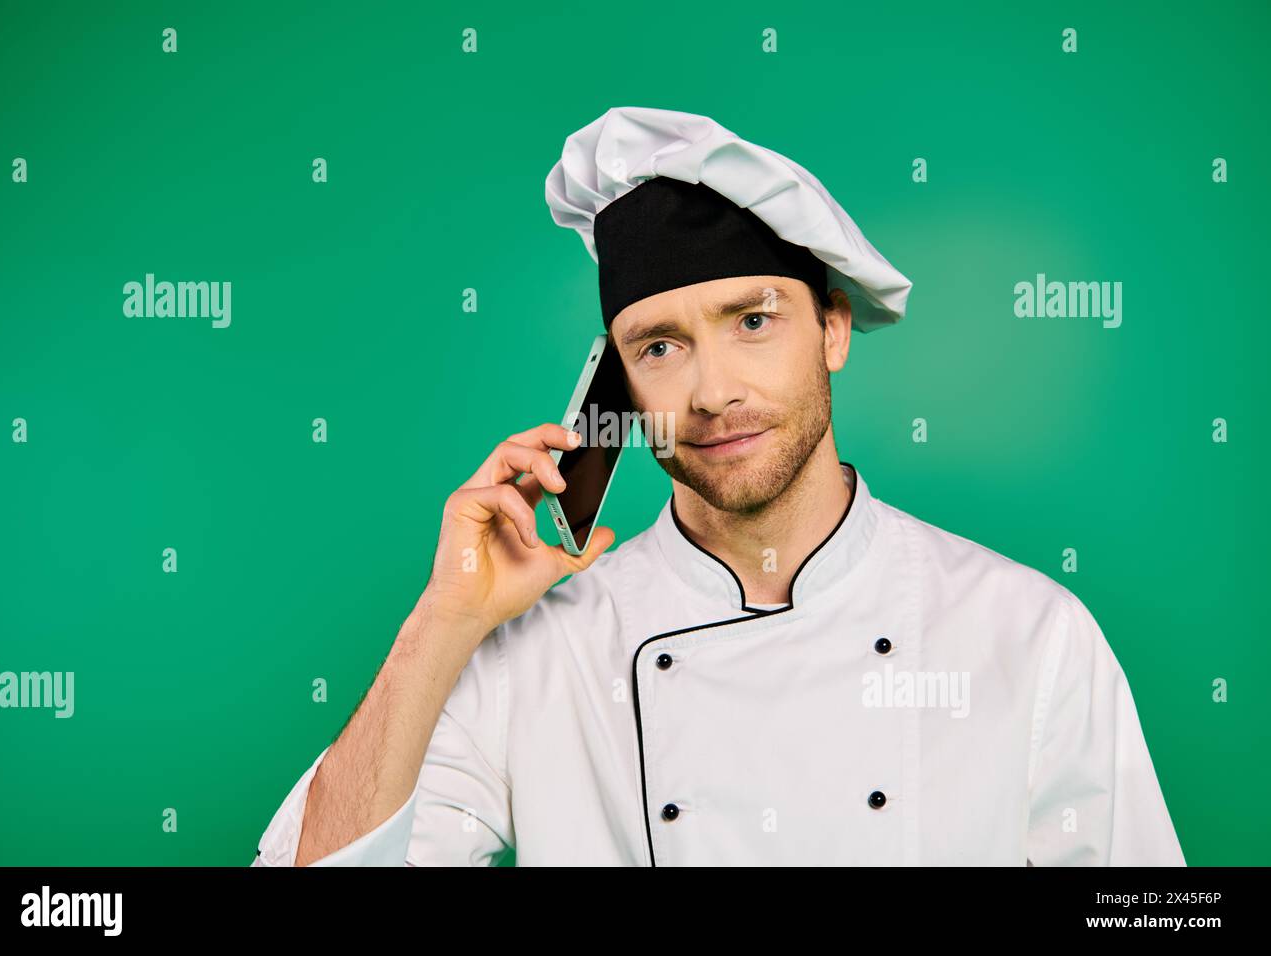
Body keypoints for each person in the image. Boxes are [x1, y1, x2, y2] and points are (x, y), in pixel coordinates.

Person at [251, 107, 1185, 866]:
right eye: (659, 347)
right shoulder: (543, 655)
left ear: (832, 329)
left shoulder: (1027, 633)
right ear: (616, 383)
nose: (712, 392)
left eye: (752, 321)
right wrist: (443, 621)